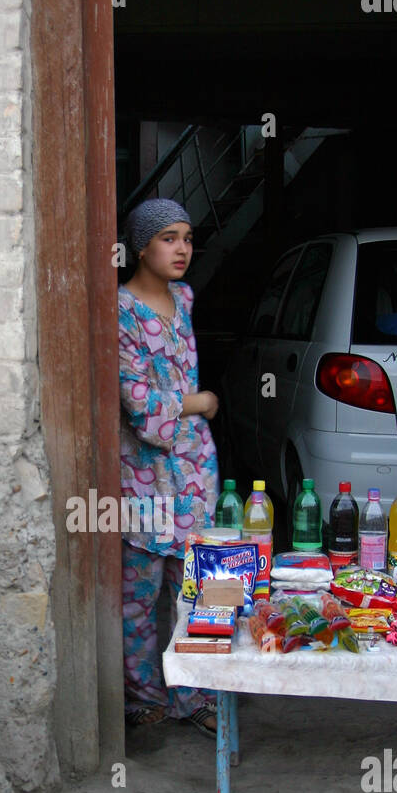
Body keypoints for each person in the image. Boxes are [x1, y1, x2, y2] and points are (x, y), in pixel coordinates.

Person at [119, 198, 220, 735]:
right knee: (137, 597)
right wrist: (197, 403)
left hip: (194, 470)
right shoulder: (120, 311)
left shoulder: (183, 299)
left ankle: (195, 693)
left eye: (186, 237)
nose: (182, 248)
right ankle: (145, 696)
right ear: (141, 246)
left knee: (197, 588)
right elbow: (138, 403)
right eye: (168, 238)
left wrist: (181, 408)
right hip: (143, 476)